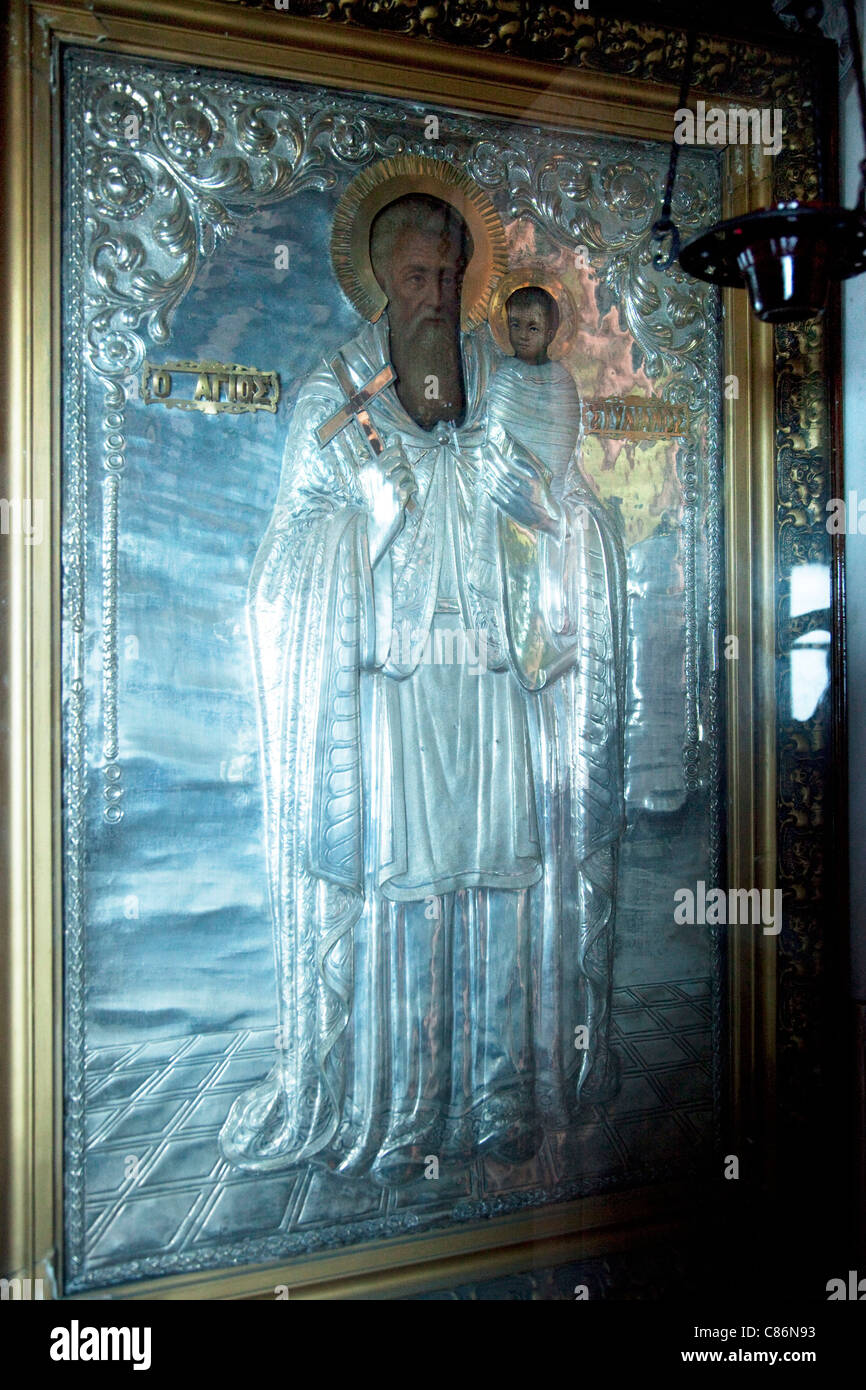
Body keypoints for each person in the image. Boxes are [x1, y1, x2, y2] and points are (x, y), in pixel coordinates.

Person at [218, 179, 626, 1185]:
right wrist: (371, 513)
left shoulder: (512, 382)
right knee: (405, 896)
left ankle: (494, 1100)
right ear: (378, 282)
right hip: (391, 689)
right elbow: (286, 560)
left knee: (493, 888)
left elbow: (574, 517)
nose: (438, 292)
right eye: (416, 273)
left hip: (489, 680)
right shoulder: (333, 394)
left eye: (451, 273)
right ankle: (403, 1110)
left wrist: (528, 501)